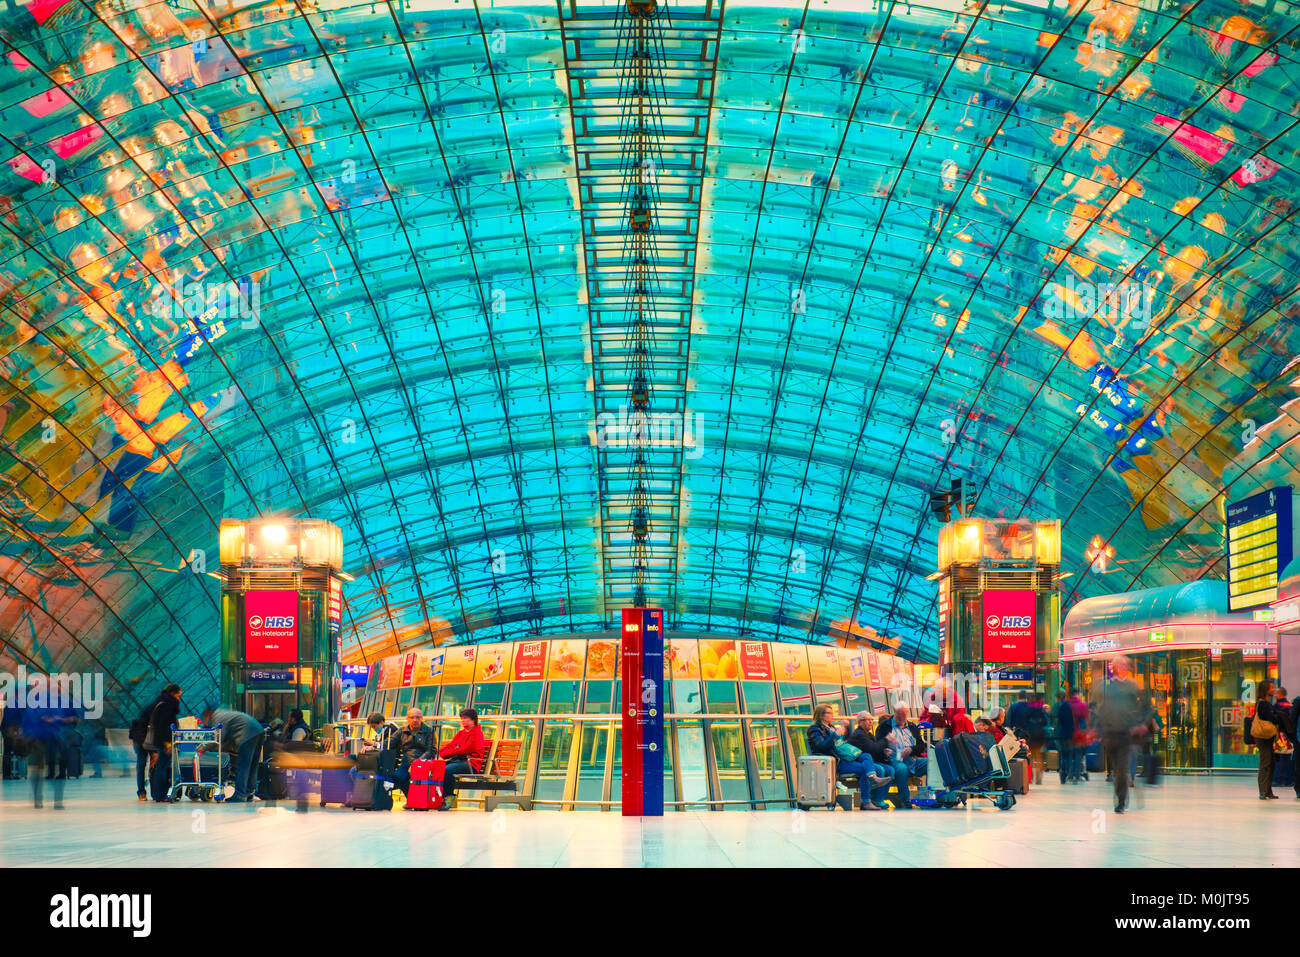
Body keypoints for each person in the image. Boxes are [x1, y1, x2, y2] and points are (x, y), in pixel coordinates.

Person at [1092, 656, 1144, 813]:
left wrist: (1139, 724)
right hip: (1109, 735)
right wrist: (1097, 729)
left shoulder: (1132, 686)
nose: (1121, 668)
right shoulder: (1104, 686)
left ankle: (1121, 800)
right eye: (1118, 665)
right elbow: (1098, 709)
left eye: (1124, 665)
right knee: (1116, 768)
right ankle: (1120, 792)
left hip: (1125, 734)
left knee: (1121, 769)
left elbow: (1141, 707)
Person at [200, 706, 267, 803]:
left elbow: (218, 738)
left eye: (204, 718)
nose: (204, 721)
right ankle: (249, 793)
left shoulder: (218, 717)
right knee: (252, 765)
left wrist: (204, 747)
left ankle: (240, 795)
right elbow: (226, 739)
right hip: (258, 730)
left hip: (247, 733)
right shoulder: (224, 713)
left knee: (243, 765)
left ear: (208, 714)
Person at [20, 676, 64, 809]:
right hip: (37, 741)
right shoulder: (32, 703)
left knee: (52, 770)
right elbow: (27, 721)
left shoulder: (49, 700)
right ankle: (39, 799)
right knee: (37, 770)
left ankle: (56, 799)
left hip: (50, 739)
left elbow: (58, 717)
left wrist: (52, 720)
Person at [875, 702, 928, 808]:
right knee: (901, 768)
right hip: (894, 759)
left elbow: (922, 746)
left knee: (931, 764)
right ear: (894, 712)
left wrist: (911, 749)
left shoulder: (912, 727)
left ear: (907, 713)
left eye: (903, 714)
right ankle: (905, 800)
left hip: (912, 759)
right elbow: (877, 745)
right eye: (899, 714)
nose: (901, 717)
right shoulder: (884, 727)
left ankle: (928, 797)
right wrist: (885, 749)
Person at [436, 708, 487, 811]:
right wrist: (440, 753)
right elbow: (451, 746)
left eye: (465, 718)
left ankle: (449, 796)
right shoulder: (461, 733)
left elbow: (465, 749)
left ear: (473, 720)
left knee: (447, 770)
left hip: (471, 764)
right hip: (458, 762)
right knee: (437, 767)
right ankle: (438, 798)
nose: (463, 721)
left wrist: (447, 754)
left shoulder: (477, 733)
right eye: (462, 719)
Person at [145, 684, 183, 803]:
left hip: (160, 740)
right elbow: (165, 726)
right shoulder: (167, 706)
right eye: (178, 696)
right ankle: (160, 794)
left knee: (161, 767)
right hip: (164, 741)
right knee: (162, 767)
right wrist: (168, 744)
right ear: (172, 693)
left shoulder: (161, 703)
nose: (179, 699)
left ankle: (158, 794)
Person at [387, 708, 435, 796]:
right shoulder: (402, 731)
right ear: (407, 719)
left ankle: (417, 800)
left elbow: (431, 750)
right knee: (397, 778)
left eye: (418, 717)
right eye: (412, 717)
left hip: (423, 763)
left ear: (422, 718)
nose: (415, 720)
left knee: (416, 777)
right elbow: (387, 743)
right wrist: (373, 745)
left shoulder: (428, 731)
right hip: (406, 762)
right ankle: (411, 798)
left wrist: (416, 764)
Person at [1253, 680, 1285, 801]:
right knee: (1265, 763)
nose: (1274, 690)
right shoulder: (1263, 704)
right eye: (1271, 688)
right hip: (1263, 738)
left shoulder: (1266, 703)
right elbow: (1271, 717)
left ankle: (1268, 790)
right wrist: (1278, 717)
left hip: (1268, 737)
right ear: (1266, 690)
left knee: (1271, 763)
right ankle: (1263, 791)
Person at [129, 694, 158, 801]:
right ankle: (147, 791)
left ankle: (142, 792)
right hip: (143, 741)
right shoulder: (154, 711)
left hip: (144, 741)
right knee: (144, 765)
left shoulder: (145, 710)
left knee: (142, 766)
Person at [1054, 691, 1076, 785]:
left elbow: (1058, 721)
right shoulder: (1068, 706)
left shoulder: (1058, 707)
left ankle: (1063, 774)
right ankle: (1068, 774)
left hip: (1061, 735)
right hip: (1068, 734)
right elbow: (1071, 721)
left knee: (1062, 755)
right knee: (1068, 755)